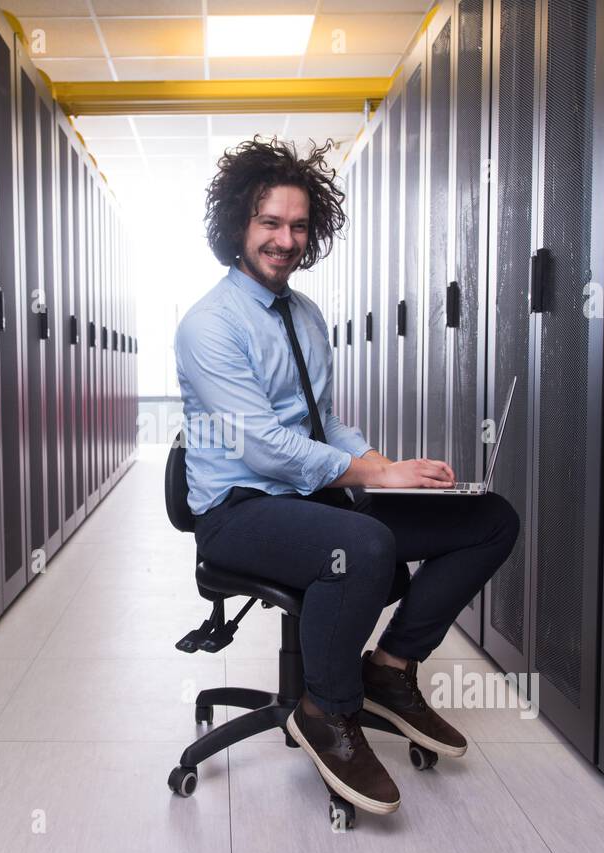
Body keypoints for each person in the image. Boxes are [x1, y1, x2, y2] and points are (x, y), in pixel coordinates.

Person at [173, 137, 519, 816]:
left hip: (310, 495)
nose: (285, 239)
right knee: (364, 547)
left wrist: (387, 468)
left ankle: (388, 670)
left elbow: (319, 421)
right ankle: (326, 712)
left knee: (489, 520)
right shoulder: (209, 325)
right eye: (269, 223)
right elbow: (267, 448)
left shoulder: (304, 315)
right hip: (239, 512)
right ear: (239, 227)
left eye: (299, 225)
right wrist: (367, 474)